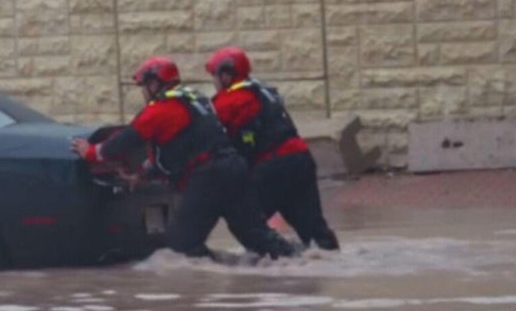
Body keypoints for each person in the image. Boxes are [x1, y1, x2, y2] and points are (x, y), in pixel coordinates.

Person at [71, 57, 298, 260]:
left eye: (144, 87)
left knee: (180, 249)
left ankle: (213, 281)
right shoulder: (194, 100)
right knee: (257, 238)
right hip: (234, 170)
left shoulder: (160, 109)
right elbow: (182, 149)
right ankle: (299, 259)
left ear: (154, 84)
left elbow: (127, 139)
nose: (143, 93)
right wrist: (143, 175)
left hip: (208, 179)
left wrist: (91, 152)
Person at [204, 47, 340, 250]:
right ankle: (328, 260)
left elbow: (209, 134)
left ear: (226, 75)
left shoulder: (231, 100)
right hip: (301, 160)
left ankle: (281, 258)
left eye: (214, 76)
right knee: (313, 228)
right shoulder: (263, 91)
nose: (214, 82)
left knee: (246, 221)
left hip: (274, 167)